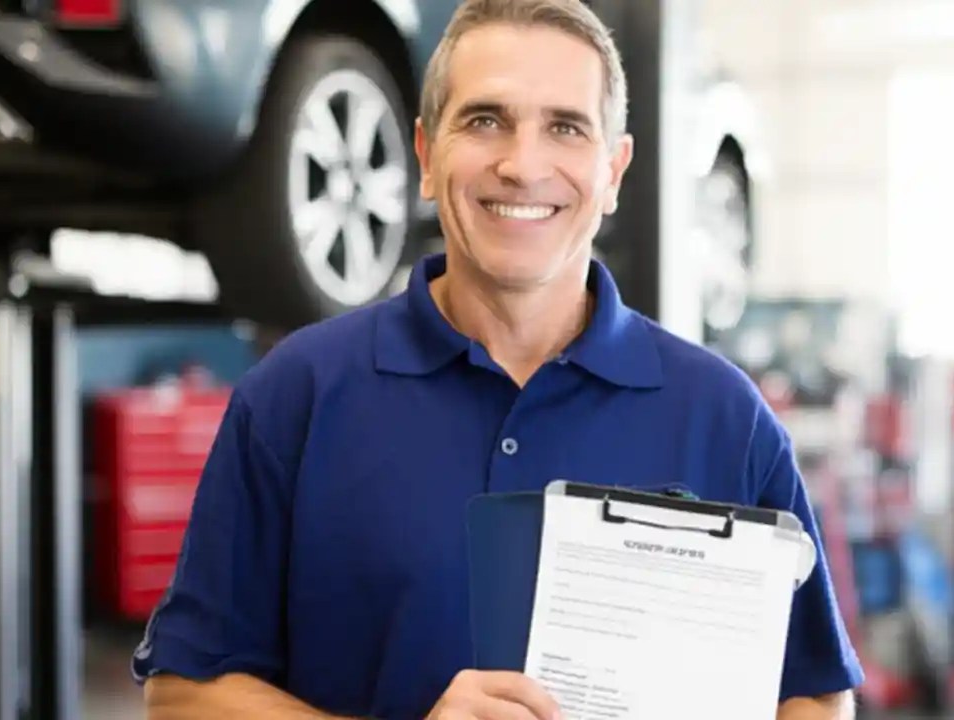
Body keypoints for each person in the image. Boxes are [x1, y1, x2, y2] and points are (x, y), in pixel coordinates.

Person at [135, 0, 863, 718]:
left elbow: (815, 695)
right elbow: (182, 694)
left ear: (613, 170)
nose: (523, 164)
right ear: (425, 156)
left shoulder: (723, 417)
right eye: (486, 121)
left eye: (566, 127)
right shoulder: (297, 395)